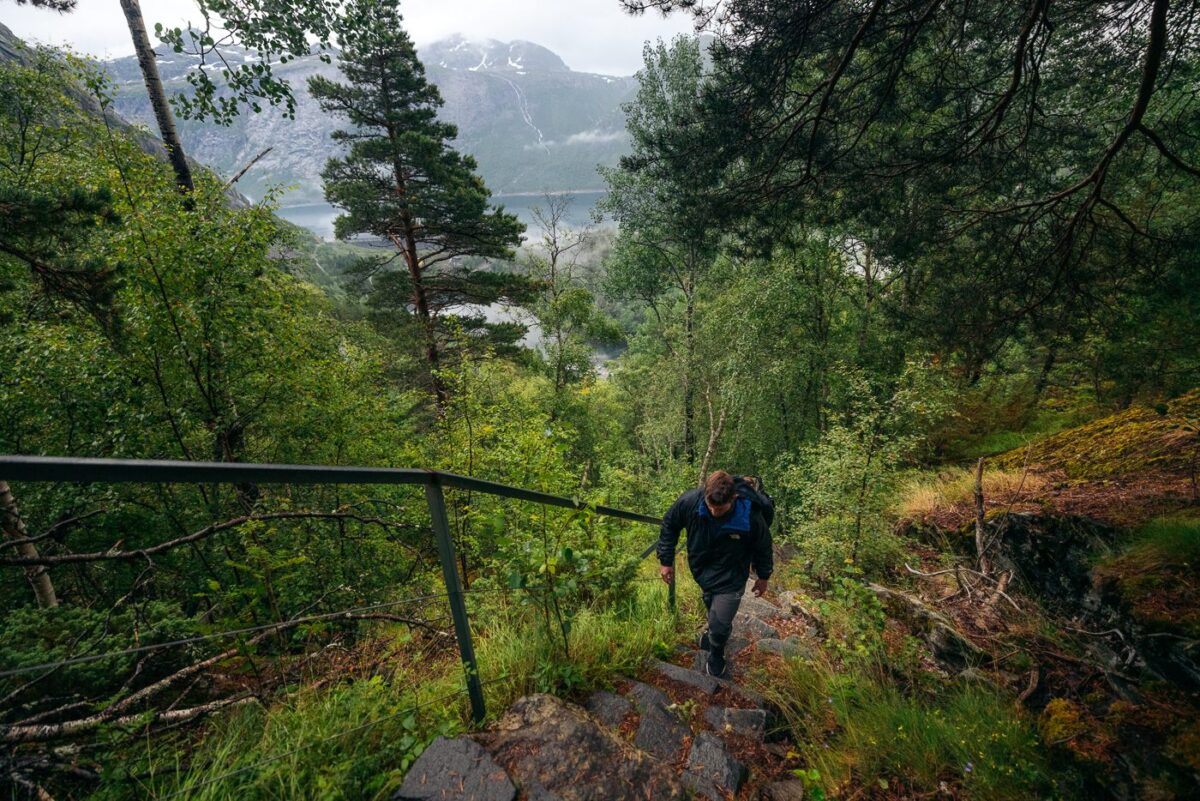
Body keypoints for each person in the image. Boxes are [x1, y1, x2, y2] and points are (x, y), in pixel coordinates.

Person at [656, 469, 773, 679]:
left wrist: (763, 576)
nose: (714, 513)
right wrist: (666, 561)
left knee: (719, 623)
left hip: (732, 576)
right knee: (711, 605)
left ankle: (717, 654)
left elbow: (763, 546)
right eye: (710, 507)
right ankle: (716, 632)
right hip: (703, 571)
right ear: (705, 495)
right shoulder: (691, 502)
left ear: (734, 498)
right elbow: (670, 525)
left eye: (721, 509)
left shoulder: (750, 515)